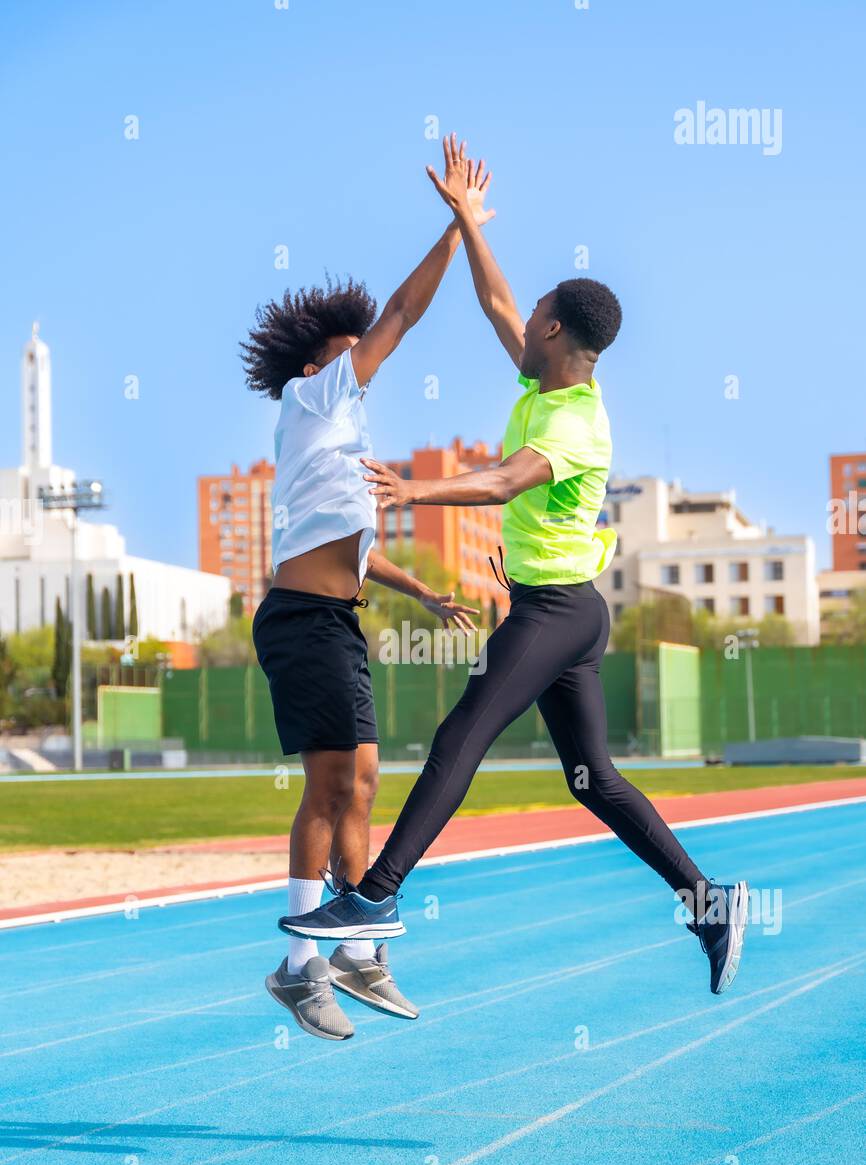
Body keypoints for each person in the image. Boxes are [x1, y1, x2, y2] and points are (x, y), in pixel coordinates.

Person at [281, 134, 749, 998]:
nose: (516, 320)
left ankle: (374, 898)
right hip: (566, 610)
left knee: (464, 734)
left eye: (532, 316)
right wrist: (467, 219)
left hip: (555, 613)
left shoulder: (568, 427)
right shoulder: (548, 385)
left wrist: (411, 491)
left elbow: (505, 480)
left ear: (556, 331)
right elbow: (495, 297)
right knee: (594, 780)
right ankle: (709, 902)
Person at [241, 155, 491, 1040]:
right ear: (319, 361)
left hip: (331, 617)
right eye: (351, 347)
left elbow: (357, 549)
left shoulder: (339, 444)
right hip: (304, 623)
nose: (366, 354)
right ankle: (298, 966)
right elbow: (401, 314)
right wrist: (461, 227)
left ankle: (357, 952)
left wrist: (422, 589)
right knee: (330, 785)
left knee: (366, 782)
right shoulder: (316, 396)